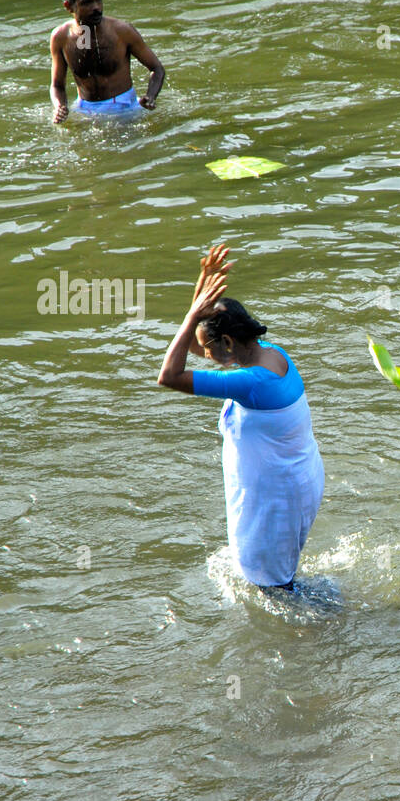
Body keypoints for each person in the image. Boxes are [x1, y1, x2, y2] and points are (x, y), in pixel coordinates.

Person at [157, 246, 324, 593]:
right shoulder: (269, 352)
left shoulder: (250, 382)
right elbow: (189, 349)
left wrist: (191, 317)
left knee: (274, 590)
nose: (202, 355)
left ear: (229, 342)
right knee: (277, 580)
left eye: (209, 349)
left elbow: (169, 376)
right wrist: (200, 296)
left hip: (279, 493)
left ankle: (326, 629)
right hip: (291, 480)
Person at [50, 0, 164, 123]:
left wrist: (150, 97)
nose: (96, 7)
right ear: (69, 6)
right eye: (87, 2)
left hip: (126, 108)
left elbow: (157, 68)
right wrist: (59, 106)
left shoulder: (122, 31)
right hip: (84, 110)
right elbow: (57, 85)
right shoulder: (60, 37)